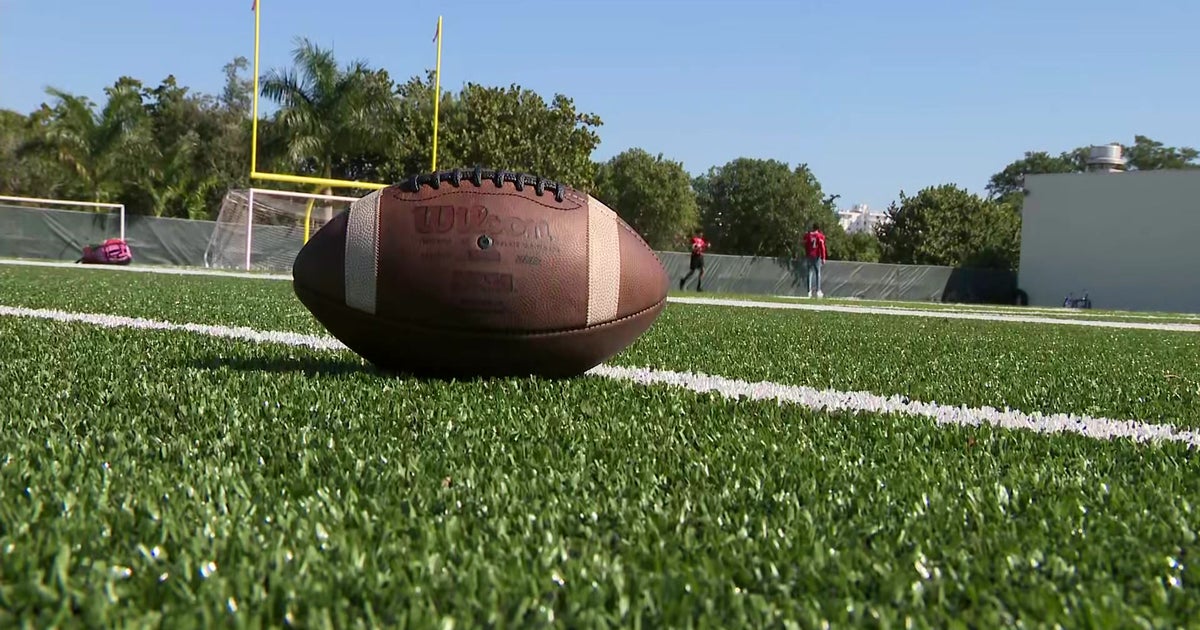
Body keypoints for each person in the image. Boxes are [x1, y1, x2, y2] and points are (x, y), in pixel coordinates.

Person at [801, 223, 826, 298]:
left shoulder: (808, 235)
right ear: (818, 228)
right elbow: (822, 246)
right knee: (818, 273)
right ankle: (818, 290)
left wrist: (807, 252)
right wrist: (823, 257)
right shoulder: (820, 236)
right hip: (817, 256)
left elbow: (804, 243)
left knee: (809, 273)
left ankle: (809, 291)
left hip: (809, 255)